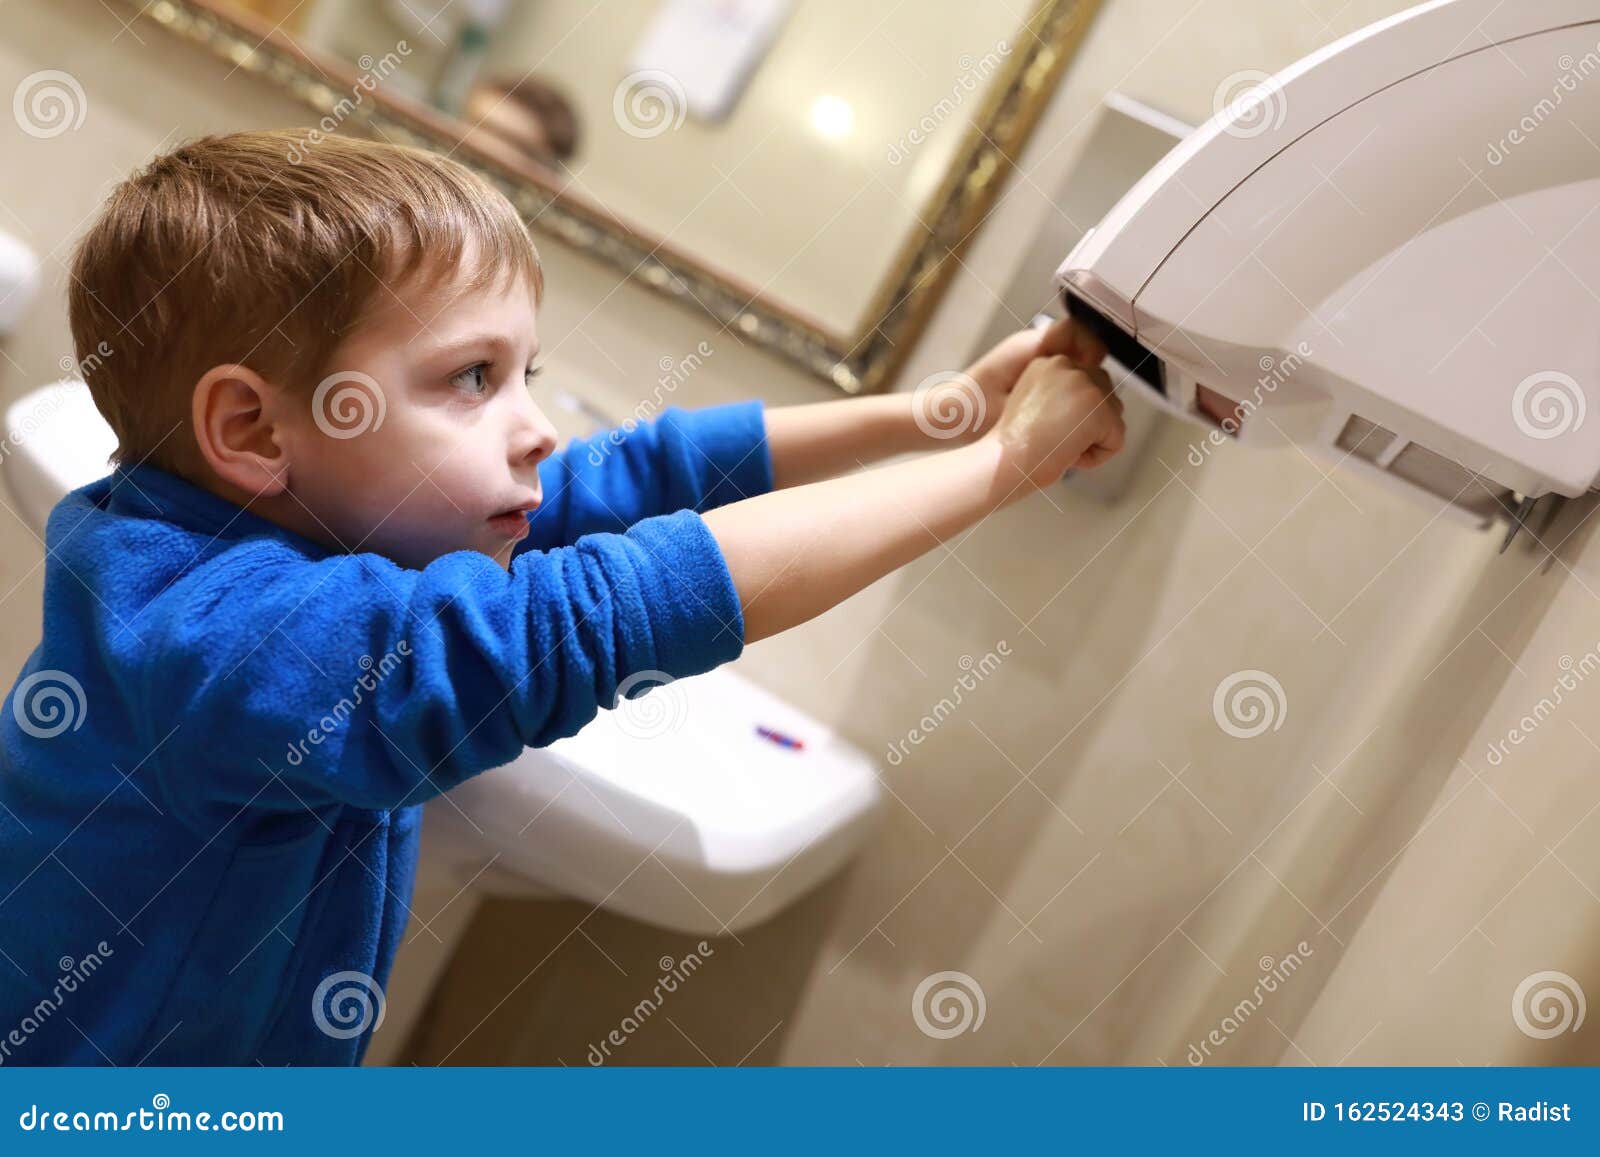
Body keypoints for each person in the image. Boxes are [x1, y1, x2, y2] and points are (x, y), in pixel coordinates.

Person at [0, 130, 1122, 1065]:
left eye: (521, 373)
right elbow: (588, 619)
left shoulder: (264, 525)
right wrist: (997, 477)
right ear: (253, 429)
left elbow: (623, 478)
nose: (535, 429)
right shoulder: (219, 639)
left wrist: (943, 417)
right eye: (470, 378)